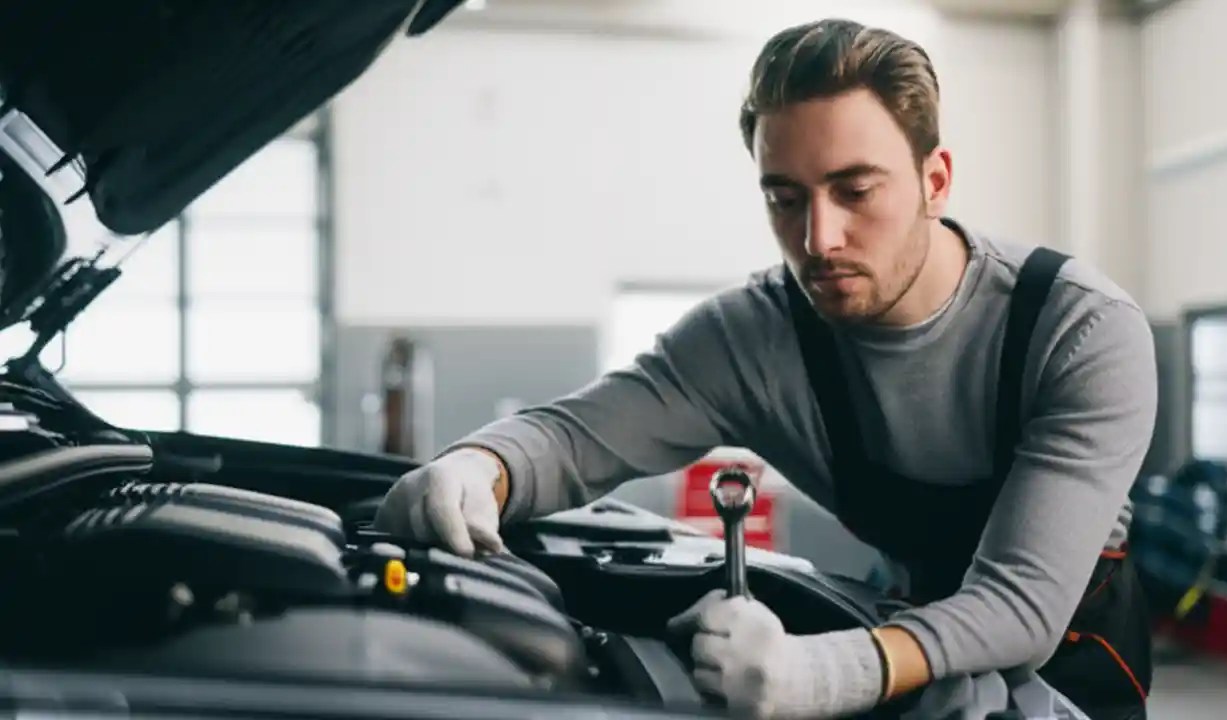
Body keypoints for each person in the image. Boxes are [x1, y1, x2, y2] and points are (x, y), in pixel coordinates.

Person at [375, 17, 1158, 720]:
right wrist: (482, 465)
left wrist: (825, 672)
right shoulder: (752, 339)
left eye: (855, 190)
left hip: (1073, 666)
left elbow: (1020, 604)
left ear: (935, 180)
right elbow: (575, 438)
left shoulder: (1080, 331)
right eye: (785, 198)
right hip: (915, 655)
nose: (818, 238)